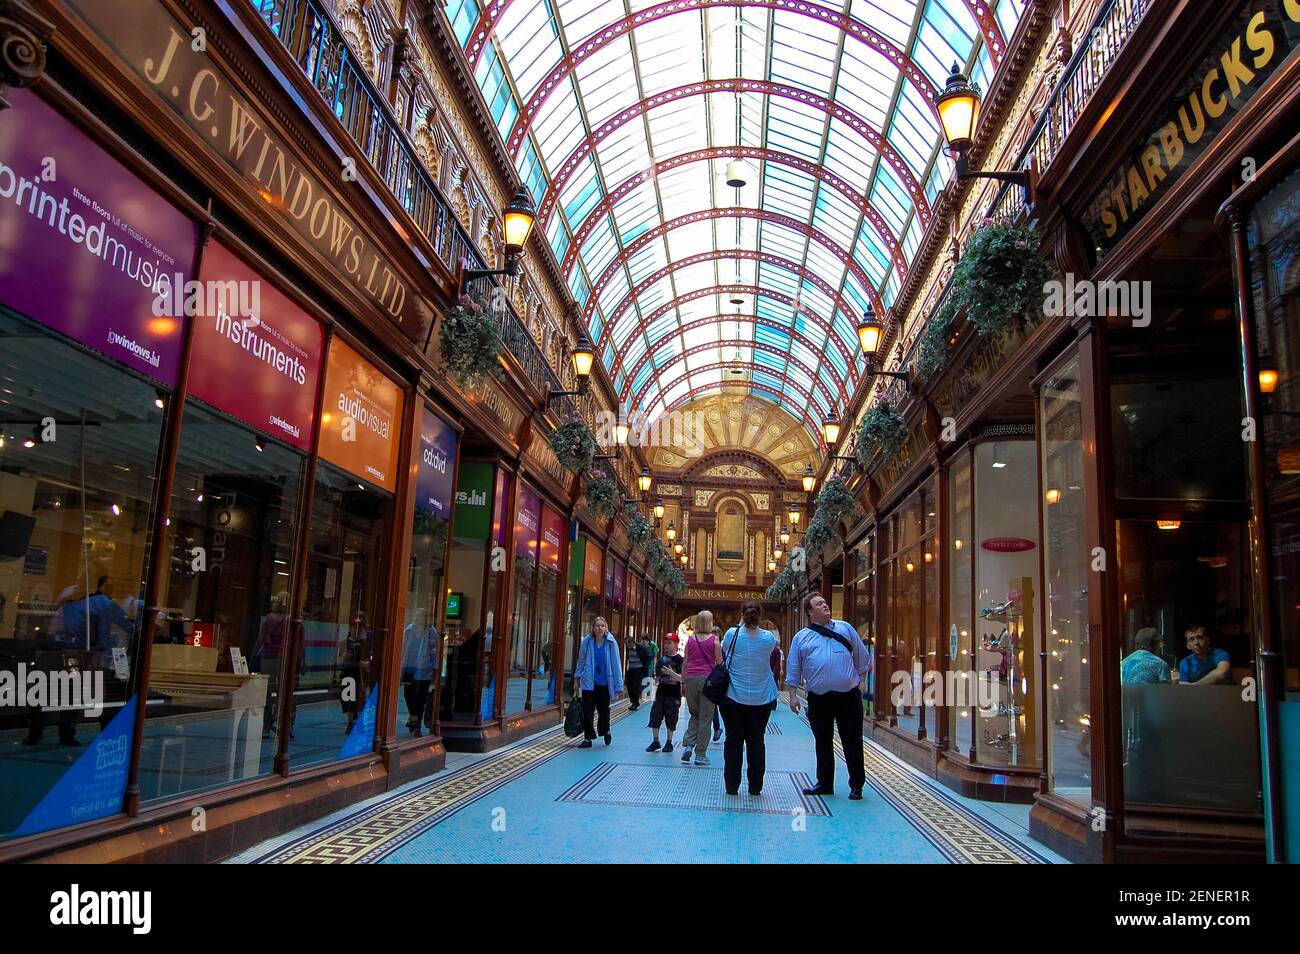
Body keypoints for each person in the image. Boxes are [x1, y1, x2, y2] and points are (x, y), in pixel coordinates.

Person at [786, 592, 872, 800]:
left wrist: (860, 683)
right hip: (819, 697)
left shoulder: (845, 628)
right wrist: (793, 695)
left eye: (825, 602)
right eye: (819, 603)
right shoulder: (802, 637)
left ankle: (856, 785)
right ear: (810, 611)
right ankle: (824, 783)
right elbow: (794, 666)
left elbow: (862, 656)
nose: (825, 605)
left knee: (852, 740)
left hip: (847, 696)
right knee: (822, 741)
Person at [718, 601, 779, 797]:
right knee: (756, 741)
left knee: (733, 741)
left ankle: (732, 786)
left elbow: (724, 653)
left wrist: (739, 625)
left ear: (742, 614)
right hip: (762, 699)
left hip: (734, 698)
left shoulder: (731, 634)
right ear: (760, 616)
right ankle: (755, 787)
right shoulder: (769, 638)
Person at [574, 616, 623, 747]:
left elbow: (616, 663)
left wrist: (618, 686)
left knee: (603, 711)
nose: (600, 628)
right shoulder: (587, 641)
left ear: (606, 627)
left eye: (602, 625)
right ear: (593, 628)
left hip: (605, 684)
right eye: (597, 626)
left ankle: (605, 730)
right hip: (589, 683)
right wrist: (576, 678)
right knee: (587, 711)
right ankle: (588, 738)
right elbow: (581, 660)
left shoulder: (611, 642)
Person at [679, 612, 721, 764]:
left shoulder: (690, 640)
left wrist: (683, 683)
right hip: (707, 682)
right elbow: (719, 663)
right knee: (705, 718)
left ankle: (689, 745)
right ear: (709, 622)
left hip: (690, 679)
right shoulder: (714, 640)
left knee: (694, 714)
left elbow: (685, 663)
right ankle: (700, 754)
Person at [647, 633, 684, 752]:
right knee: (655, 715)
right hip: (660, 693)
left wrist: (671, 673)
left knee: (671, 717)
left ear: (676, 644)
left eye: (669, 643)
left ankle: (669, 742)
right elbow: (656, 677)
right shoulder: (661, 660)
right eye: (665, 643)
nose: (666, 646)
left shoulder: (680, 660)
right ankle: (655, 740)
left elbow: (683, 678)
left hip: (673, 695)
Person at [625, 633, 651, 711]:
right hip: (631, 669)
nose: (627, 646)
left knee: (635, 686)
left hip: (638, 669)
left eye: (628, 643)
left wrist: (645, 666)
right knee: (629, 684)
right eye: (626, 644)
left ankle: (634, 704)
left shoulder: (640, 648)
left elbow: (650, 656)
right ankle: (634, 701)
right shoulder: (628, 648)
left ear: (632, 642)